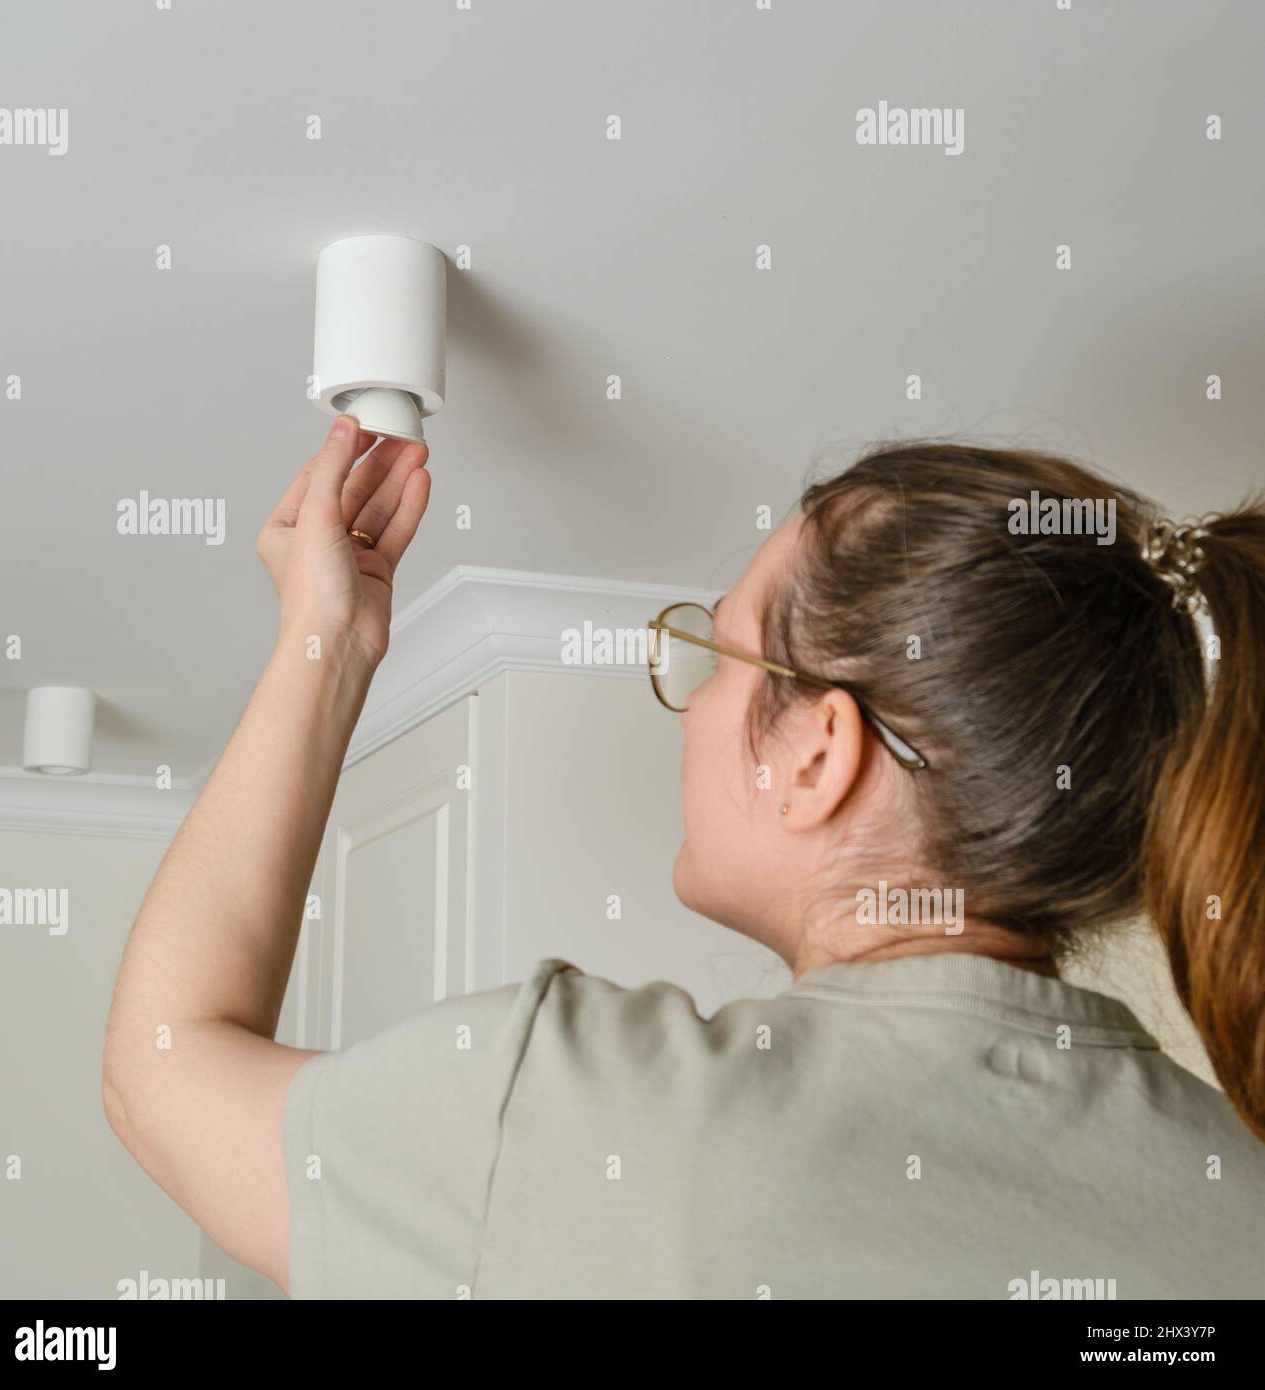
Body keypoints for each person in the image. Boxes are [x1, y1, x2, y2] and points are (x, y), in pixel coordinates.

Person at [102, 418, 1265, 1298]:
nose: (692, 702)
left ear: (818, 751)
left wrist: (328, 639)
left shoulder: (570, 1108)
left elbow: (161, 1068)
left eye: (717, 652)